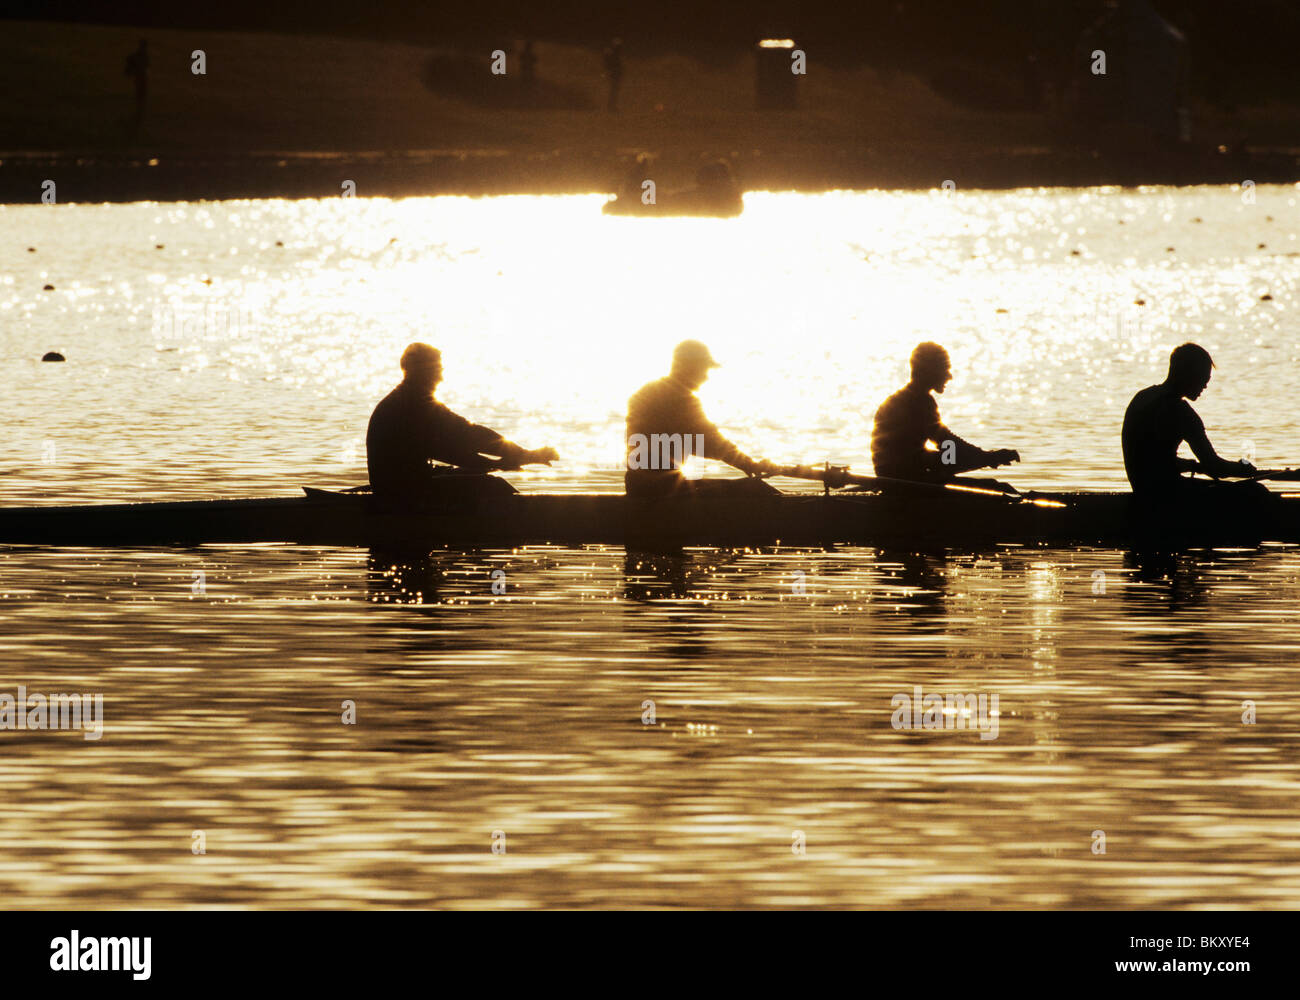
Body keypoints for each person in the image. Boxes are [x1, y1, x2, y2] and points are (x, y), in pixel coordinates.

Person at [366, 343, 558, 503]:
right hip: (400, 496)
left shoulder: (410, 399)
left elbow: (466, 436)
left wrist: (516, 457)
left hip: (402, 484)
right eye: (437, 371)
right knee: (494, 486)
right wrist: (515, 458)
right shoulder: (413, 405)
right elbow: (463, 440)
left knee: (472, 474)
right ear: (421, 372)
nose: (440, 378)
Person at [625, 340, 777, 498]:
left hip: (637, 487)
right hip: (664, 492)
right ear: (689, 366)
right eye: (703, 369)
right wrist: (749, 464)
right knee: (757, 489)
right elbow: (712, 443)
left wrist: (745, 463)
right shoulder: (681, 400)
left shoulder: (643, 394)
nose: (705, 377)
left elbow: (702, 443)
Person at [1121, 343, 1258, 497]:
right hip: (1167, 496)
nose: (1205, 385)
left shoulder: (1142, 397)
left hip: (1143, 490)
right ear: (1188, 374)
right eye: (1203, 378)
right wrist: (1243, 468)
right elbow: (1216, 467)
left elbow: (1152, 460)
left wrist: (1195, 467)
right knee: (1254, 491)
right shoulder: (1180, 412)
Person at [871, 342, 1020, 483]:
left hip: (898, 472)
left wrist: (984, 457)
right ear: (929, 371)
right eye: (945, 369)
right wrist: (988, 457)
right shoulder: (919, 401)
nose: (949, 376)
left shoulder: (905, 398)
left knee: (956, 456)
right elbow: (946, 441)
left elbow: (947, 445)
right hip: (905, 478)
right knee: (991, 483)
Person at [124, 39, 149, 136]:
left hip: (140, 79)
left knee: (140, 96)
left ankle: (139, 111)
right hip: (141, 79)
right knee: (141, 96)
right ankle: (139, 112)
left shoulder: (139, 55)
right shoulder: (142, 56)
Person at [602, 38, 624, 112]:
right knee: (613, 90)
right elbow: (610, 64)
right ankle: (611, 106)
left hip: (615, 74)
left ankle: (611, 106)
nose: (620, 48)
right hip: (614, 74)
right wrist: (610, 71)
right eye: (619, 46)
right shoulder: (612, 53)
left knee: (614, 90)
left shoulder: (612, 53)